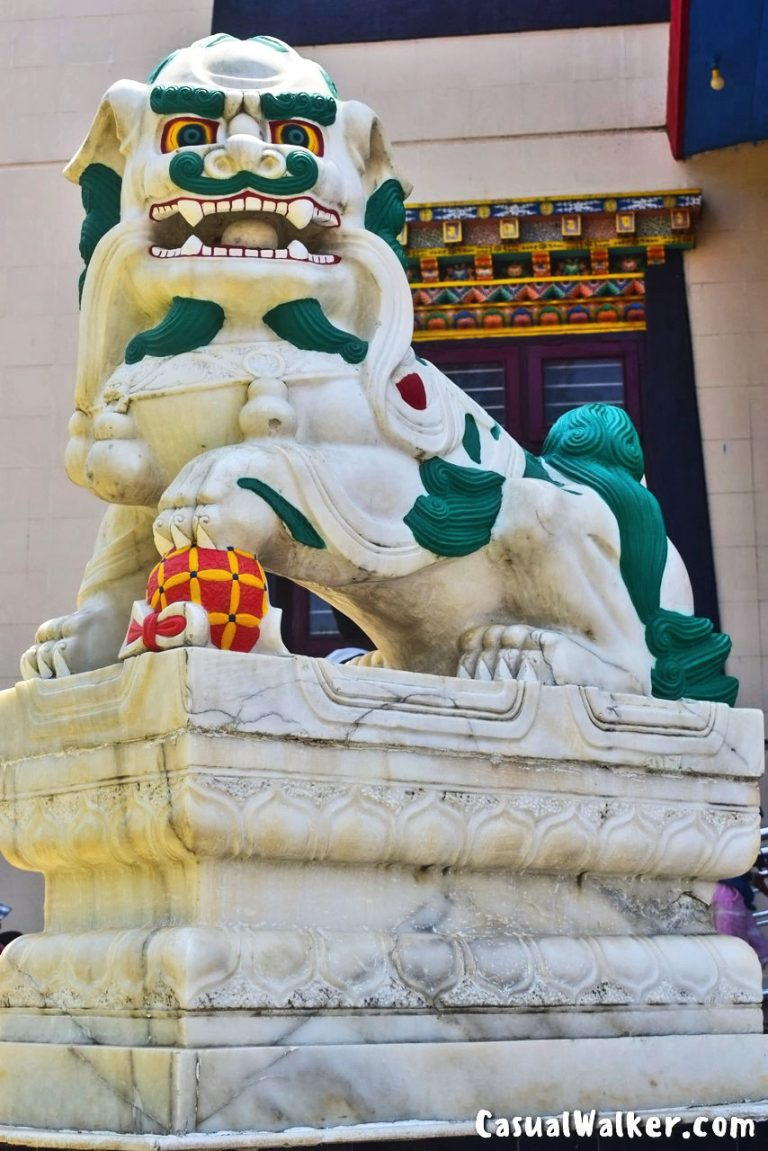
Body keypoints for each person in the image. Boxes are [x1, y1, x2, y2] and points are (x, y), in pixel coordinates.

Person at [712, 861, 768, 965]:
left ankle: (761, 958)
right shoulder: (734, 868)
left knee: (749, 935)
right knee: (734, 939)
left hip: (737, 902)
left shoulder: (741, 870)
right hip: (730, 900)